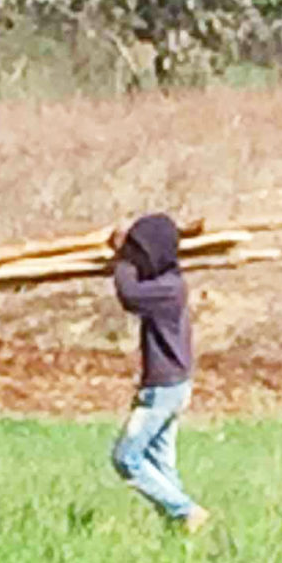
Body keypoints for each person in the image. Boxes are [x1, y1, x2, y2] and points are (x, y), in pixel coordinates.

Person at [108, 213, 210, 533]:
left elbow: (128, 295)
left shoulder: (169, 289)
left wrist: (122, 257)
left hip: (164, 388)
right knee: (162, 464)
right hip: (170, 385)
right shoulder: (168, 284)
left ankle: (184, 511)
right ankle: (178, 531)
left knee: (126, 458)